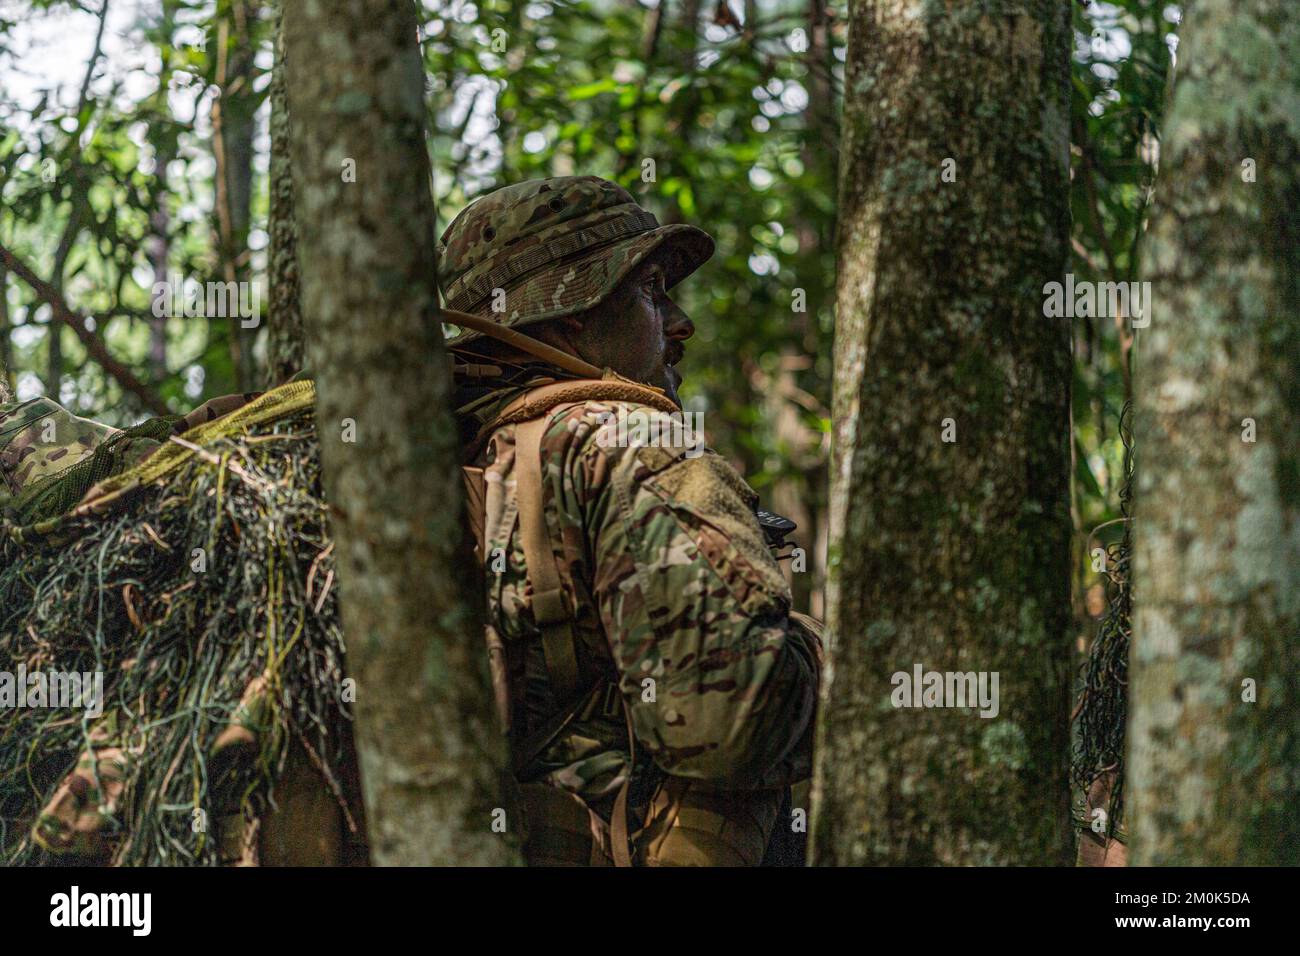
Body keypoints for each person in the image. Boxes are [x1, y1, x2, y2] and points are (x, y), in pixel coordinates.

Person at [442, 175, 822, 866]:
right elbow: (724, 725)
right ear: (569, 315)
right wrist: (822, 657)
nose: (679, 325)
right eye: (650, 292)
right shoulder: (628, 444)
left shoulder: (425, 451)